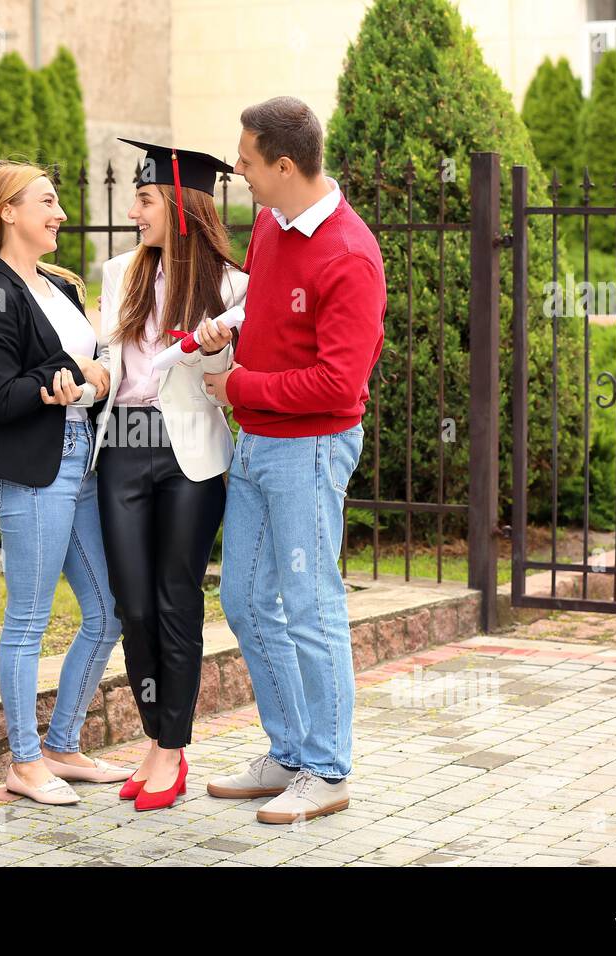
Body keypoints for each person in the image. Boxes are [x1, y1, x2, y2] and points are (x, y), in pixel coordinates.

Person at [201, 96, 386, 824]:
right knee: (244, 600)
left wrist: (239, 384)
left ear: (284, 164)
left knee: (312, 606)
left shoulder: (350, 252)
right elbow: (270, 311)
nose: (238, 171)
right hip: (258, 442)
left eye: (247, 161)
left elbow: (342, 383)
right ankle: (289, 753)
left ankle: (329, 769)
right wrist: (232, 329)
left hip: (309, 447)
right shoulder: (274, 229)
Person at [0, 159, 133, 806]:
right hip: (34, 471)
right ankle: (25, 764)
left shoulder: (59, 285)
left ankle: (62, 745)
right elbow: (4, 397)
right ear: (7, 210)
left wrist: (101, 376)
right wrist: (67, 372)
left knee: (109, 610)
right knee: (29, 620)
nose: (60, 213)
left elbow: (99, 362)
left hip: (81, 456)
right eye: (47, 202)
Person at [90, 140, 249, 812]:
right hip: (124, 448)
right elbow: (107, 364)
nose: (133, 211)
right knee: (134, 605)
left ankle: (170, 748)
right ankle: (156, 734)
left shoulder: (234, 287)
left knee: (176, 601)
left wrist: (217, 358)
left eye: (145, 199)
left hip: (190, 455)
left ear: (182, 207)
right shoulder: (117, 271)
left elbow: (229, 391)